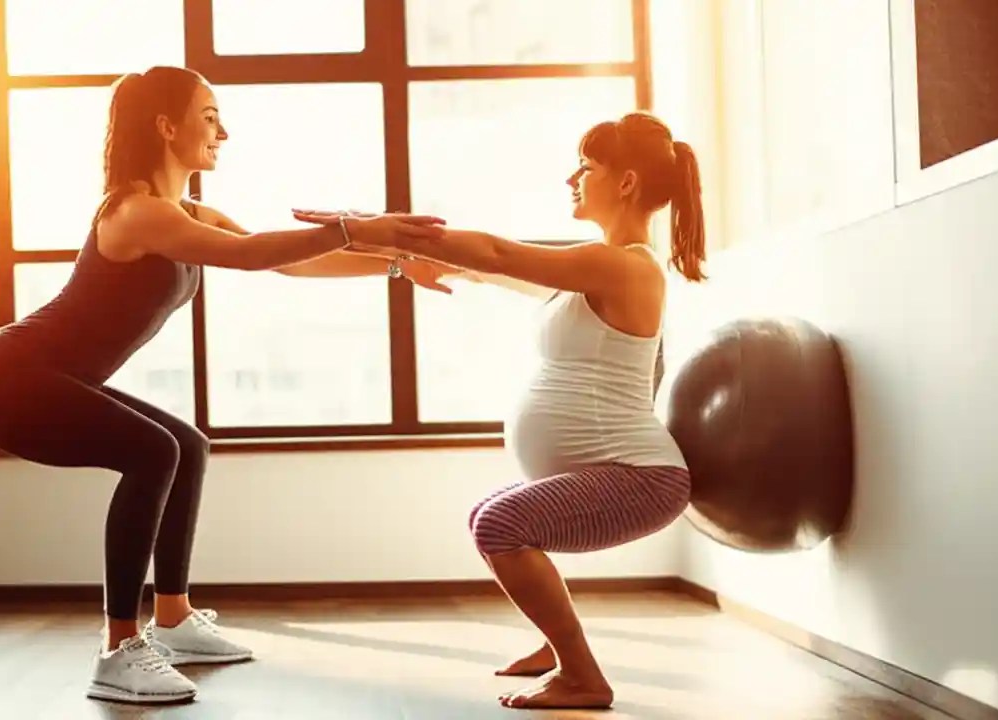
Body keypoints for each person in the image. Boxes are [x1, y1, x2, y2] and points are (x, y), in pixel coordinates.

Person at [0, 65, 452, 706]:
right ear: (166, 125)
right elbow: (250, 254)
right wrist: (358, 226)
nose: (225, 131)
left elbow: (285, 259)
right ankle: (118, 649)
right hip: (4, 379)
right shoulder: (135, 214)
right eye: (210, 115)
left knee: (185, 443)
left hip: (50, 376)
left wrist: (395, 261)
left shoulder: (184, 212)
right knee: (153, 450)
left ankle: (175, 618)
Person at [293, 110, 707, 710]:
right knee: (491, 514)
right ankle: (553, 645)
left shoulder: (621, 265)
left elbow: (493, 251)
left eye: (586, 167)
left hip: (641, 479)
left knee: (500, 526)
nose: (572, 178)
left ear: (625, 183)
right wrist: (386, 245)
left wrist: (360, 225)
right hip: (624, 472)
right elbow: (483, 266)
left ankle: (583, 676)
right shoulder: (593, 267)